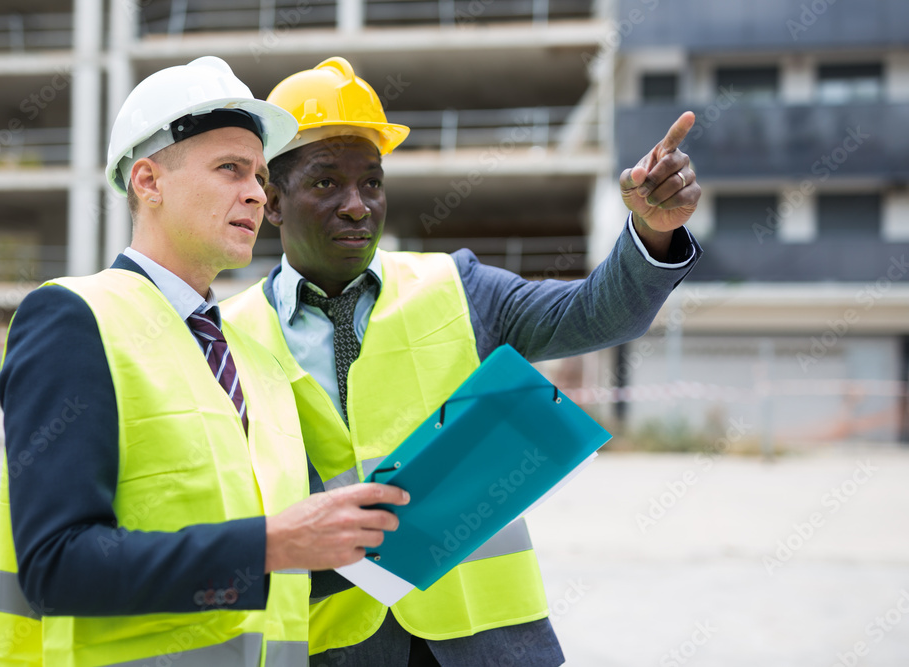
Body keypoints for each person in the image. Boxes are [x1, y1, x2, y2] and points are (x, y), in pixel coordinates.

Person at [223, 57, 703, 667]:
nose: (356, 205)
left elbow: (599, 313)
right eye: (325, 183)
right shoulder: (226, 336)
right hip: (334, 645)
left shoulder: (457, 285)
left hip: (489, 641)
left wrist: (652, 234)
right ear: (270, 200)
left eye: (371, 182)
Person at [0, 56, 408, 667]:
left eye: (261, 176)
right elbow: (57, 566)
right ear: (148, 182)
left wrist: (394, 534)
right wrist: (274, 543)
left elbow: (283, 572)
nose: (257, 194)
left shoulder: (257, 364)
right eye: (230, 169)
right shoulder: (77, 318)